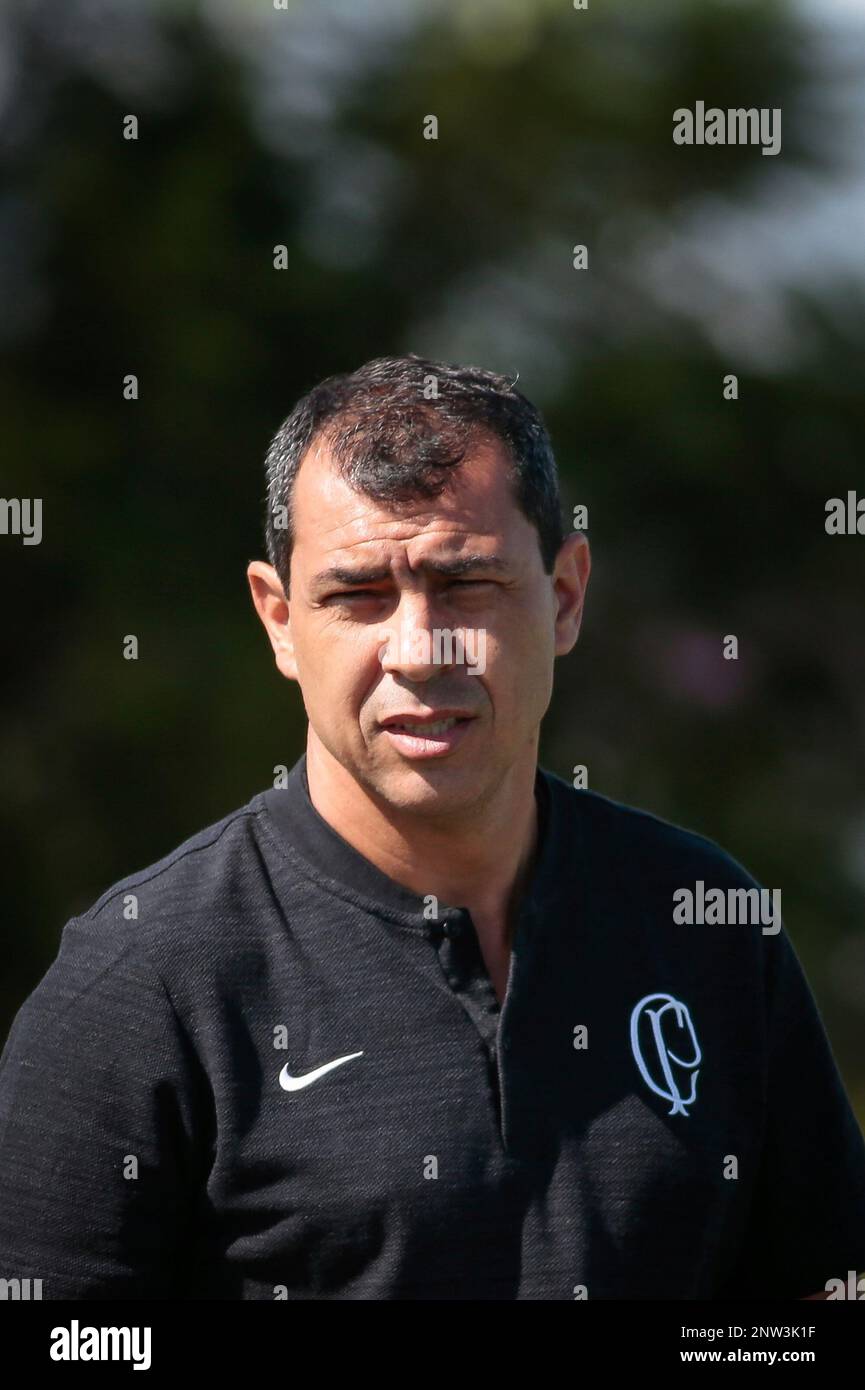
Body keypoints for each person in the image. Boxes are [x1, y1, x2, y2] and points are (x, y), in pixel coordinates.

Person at [1, 353, 863, 1300]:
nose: (417, 649)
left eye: (465, 585)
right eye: (357, 596)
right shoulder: (145, 977)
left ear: (565, 597)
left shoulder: (705, 925)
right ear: (280, 619)